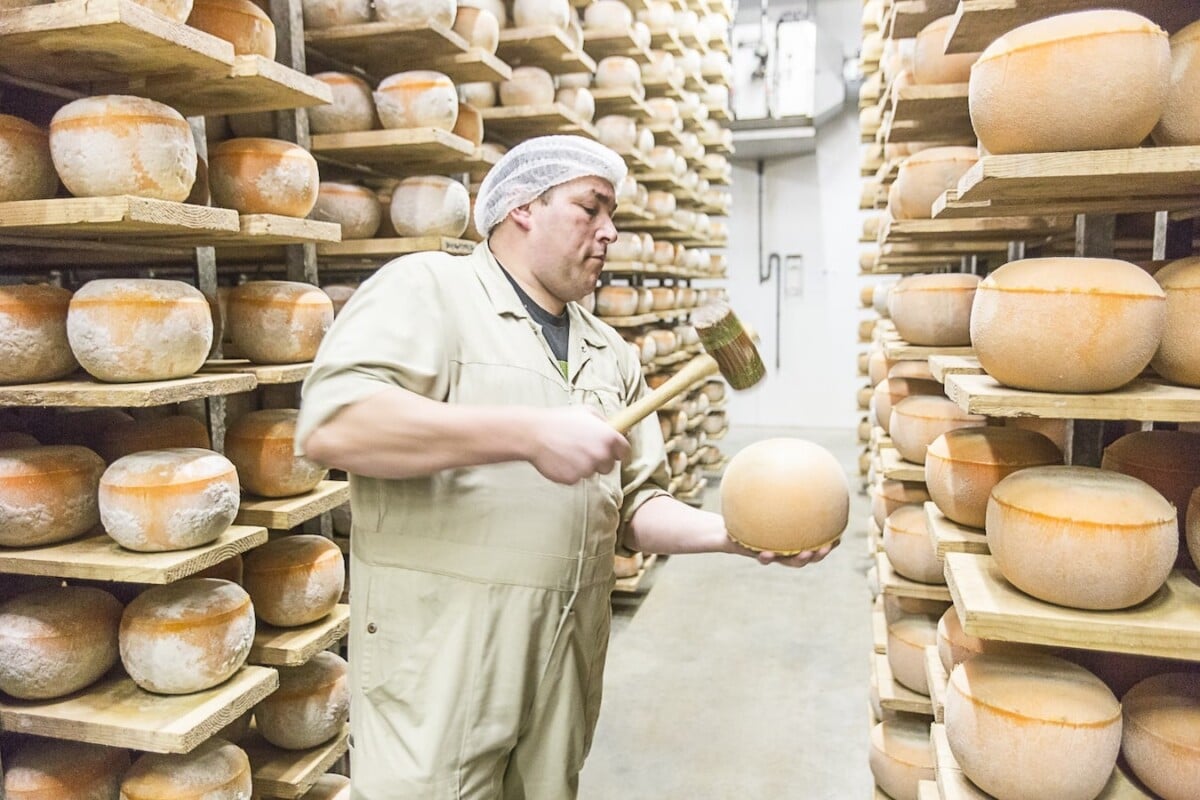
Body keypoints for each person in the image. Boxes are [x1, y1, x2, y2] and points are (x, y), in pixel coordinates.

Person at [295, 135, 838, 800]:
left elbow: (635, 506)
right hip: (440, 660)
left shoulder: (608, 352)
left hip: (565, 659)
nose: (610, 232)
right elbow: (334, 425)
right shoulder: (429, 291)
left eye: (614, 215)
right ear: (525, 207)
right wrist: (526, 434)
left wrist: (735, 533)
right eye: (592, 208)